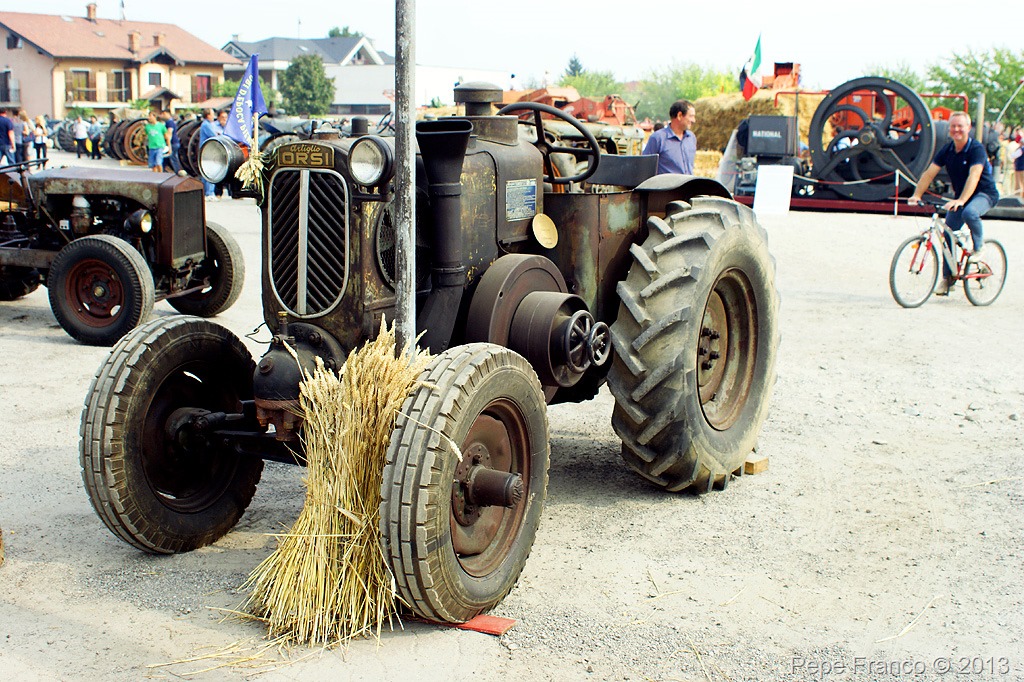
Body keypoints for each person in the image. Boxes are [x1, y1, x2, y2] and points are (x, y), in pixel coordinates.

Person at [909, 111, 1000, 296]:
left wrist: (961, 201)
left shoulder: (976, 149)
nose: (956, 129)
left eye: (960, 126)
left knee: (970, 213)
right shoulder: (948, 150)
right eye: (953, 126)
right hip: (962, 196)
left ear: (968, 128)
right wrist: (916, 195)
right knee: (947, 234)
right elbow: (929, 173)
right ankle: (948, 279)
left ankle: (979, 247)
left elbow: (974, 176)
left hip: (984, 194)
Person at [641, 100, 696, 175]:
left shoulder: (691, 138)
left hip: (688, 186)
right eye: (691, 116)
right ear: (679, 115)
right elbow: (644, 167)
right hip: (666, 186)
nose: (694, 120)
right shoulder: (658, 138)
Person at [198, 108, 220, 200]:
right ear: (208, 115)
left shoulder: (206, 124)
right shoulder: (207, 125)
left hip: (205, 149)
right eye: (212, 114)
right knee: (211, 171)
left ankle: (206, 192)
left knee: (206, 171)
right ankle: (210, 193)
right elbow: (214, 136)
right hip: (208, 149)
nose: (213, 116)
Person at [215, 109, 233, 199]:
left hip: (229, 151)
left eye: (226, 117)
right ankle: (218, 193)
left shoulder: (230, 126)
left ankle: (232, 192)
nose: (224, 119)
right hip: (219, 151)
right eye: (222, 117)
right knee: (219, 172)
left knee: (231, 171)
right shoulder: (214, 126)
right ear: (218, 118)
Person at [159, 110, 183, 174]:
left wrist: (168, 143)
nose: (161, 116)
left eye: (162, 114)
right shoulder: (170, 122)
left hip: (172, 143)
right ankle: (163, 170)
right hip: (174, 142)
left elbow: (170, 132)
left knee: (173, 158)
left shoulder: (170, 122)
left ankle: (177, 171)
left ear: (166, 114)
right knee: (166, 157)